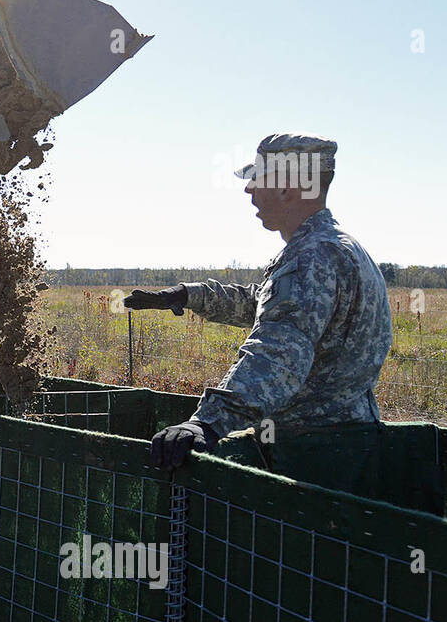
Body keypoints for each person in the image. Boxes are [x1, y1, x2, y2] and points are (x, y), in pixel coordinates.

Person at [124, 133, 392, 469]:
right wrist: (188, 295)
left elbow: (277, 354)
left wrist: (207, 422)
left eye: (256, 179)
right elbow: (266, 302)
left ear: (285, 188)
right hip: (346, 442)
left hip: (316, 454)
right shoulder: (335, 247)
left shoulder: (312, 258)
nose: (249, 189)